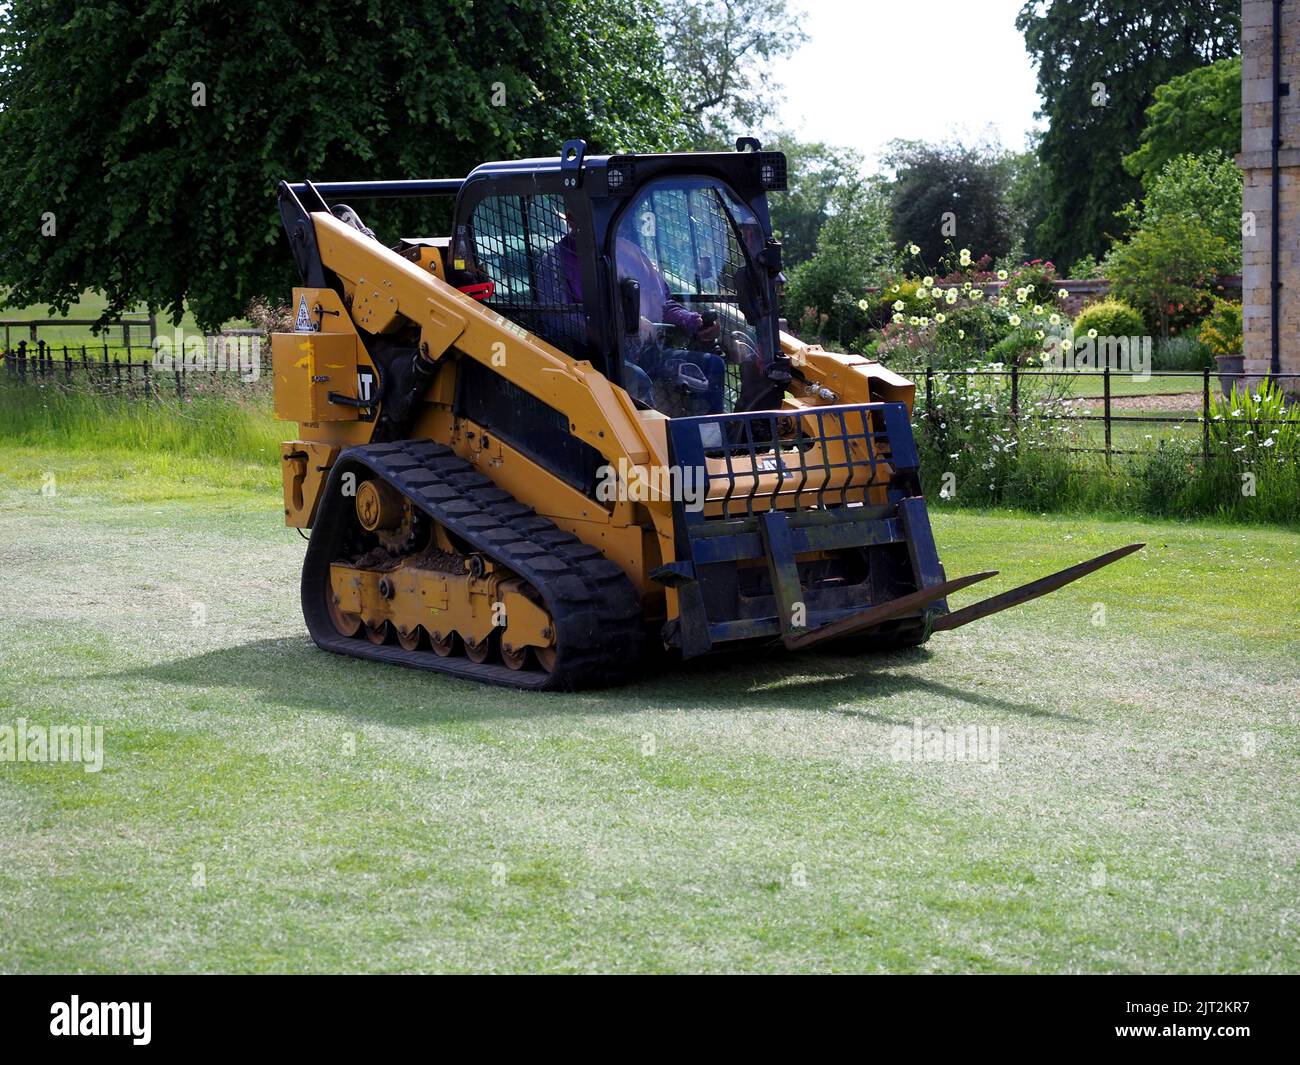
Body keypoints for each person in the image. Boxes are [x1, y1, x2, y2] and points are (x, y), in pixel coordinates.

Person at [536, 223, 726, 413]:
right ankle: (653, 441)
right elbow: (559, 321)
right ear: (571, 217)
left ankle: (710, 437)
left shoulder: (631, 253)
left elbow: (662, 303)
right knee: (635, 378)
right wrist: (620, 326)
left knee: (711, 364)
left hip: (646, 352)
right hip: (595, 360)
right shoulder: (555, 262)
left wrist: (693, 321)